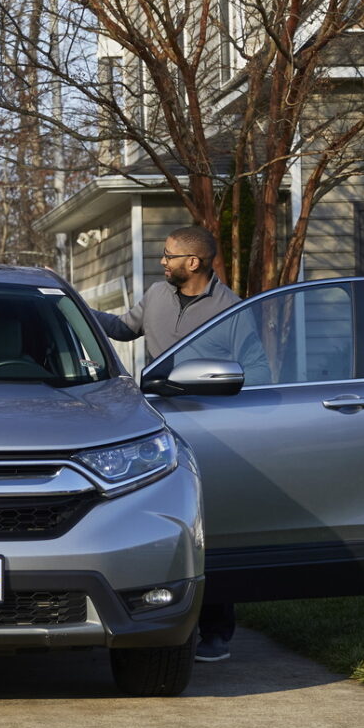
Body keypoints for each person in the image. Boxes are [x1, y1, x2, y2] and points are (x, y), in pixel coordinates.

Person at [92, 224, 241, 664]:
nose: (162, 261)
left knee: (207, 529)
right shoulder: (157, 295)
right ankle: (158, 612)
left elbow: (253, 368)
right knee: (163, 525)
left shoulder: (231, 309)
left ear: (192, 262)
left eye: (168, 255)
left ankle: (216, 632)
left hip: (212, 428)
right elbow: (121, 328)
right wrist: (72, 304)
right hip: (156, 425)